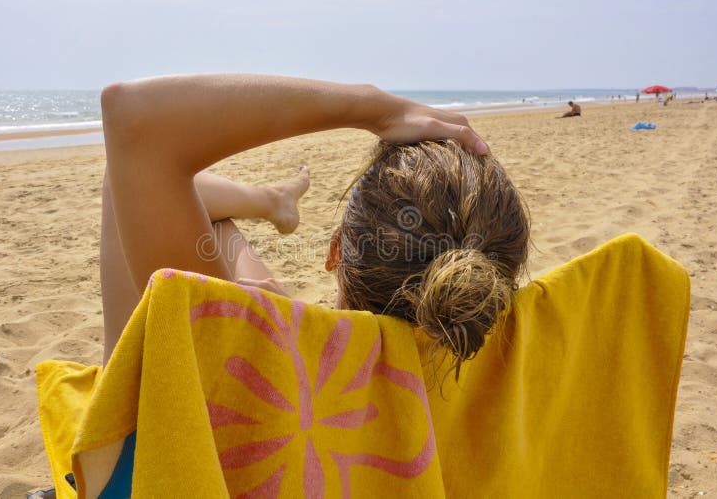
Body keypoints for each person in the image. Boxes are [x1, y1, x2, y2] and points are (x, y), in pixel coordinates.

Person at [99, 74, 528, 378]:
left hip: (139, 465)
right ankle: (272, 200)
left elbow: (133, 116)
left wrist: (377, 108)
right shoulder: (504, 372)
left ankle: (270, 200)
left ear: (335, 251)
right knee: (219, 234)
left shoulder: (258, 360)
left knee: (123, 187)